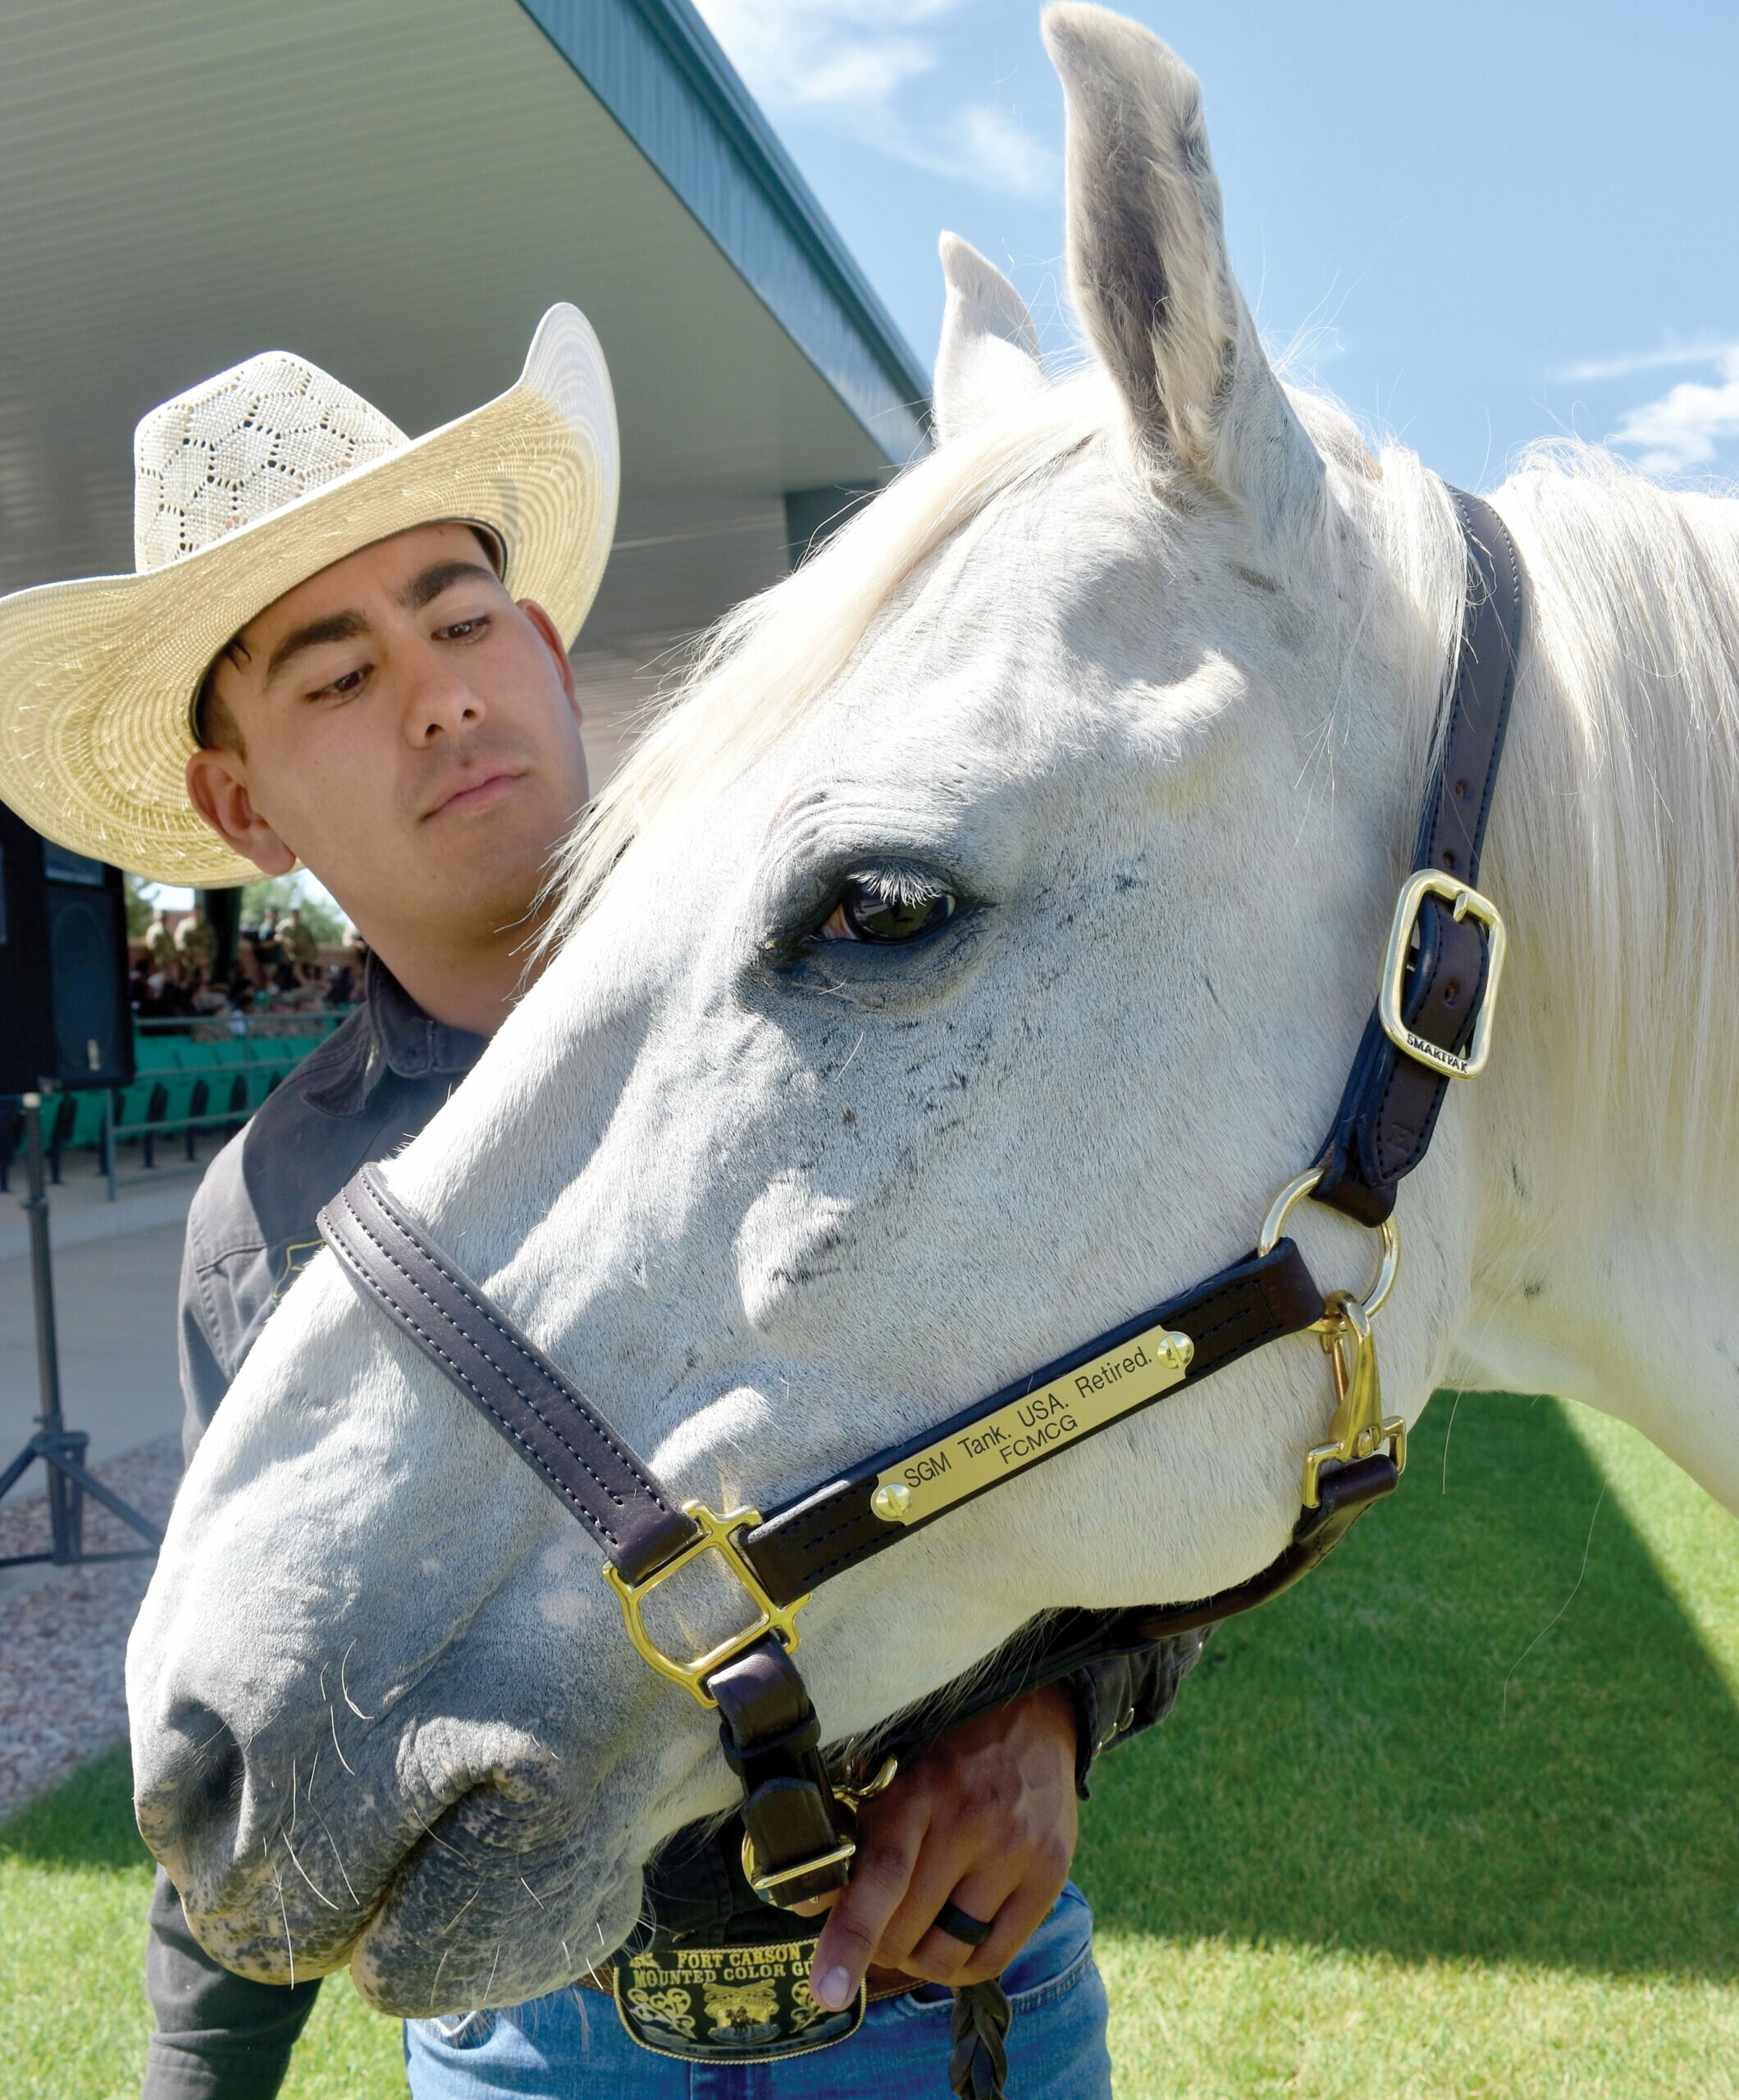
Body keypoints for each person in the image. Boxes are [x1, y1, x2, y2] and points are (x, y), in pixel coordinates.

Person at [0, 308, 1201, 2100]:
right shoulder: (274, 1220)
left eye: (462, 616)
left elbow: (1151, 1392)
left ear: (550, 650)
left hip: (949, 2014)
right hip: (532, 2055)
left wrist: (1057, 1709)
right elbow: (260, 1682)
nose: (441, 691)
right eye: (338, 675)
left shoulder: (864, 988)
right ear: (236, 802)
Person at [173, 900, 217, 985]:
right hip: (190, 963)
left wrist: (208, 959)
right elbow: (180, 944)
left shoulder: (207, 927)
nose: (198, 913)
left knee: (205, 983)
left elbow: (214, 945)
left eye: (200, 911)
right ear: (192, 912)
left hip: (205, 963)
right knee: (190, 984)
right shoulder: (184, 926)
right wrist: (192, 957)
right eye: (196, 911)